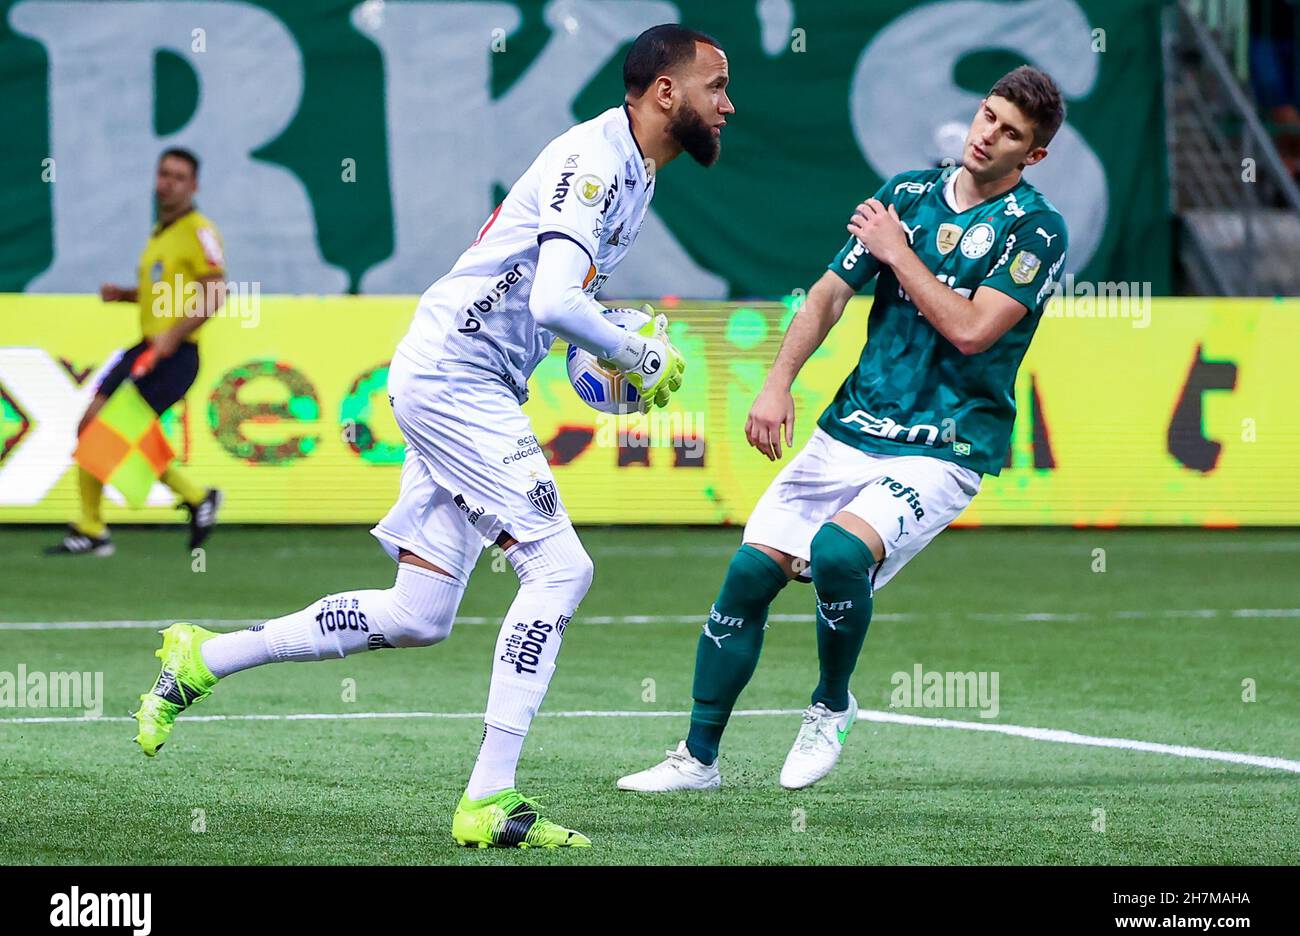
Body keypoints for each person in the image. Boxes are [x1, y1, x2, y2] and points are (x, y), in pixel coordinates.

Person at [131, 24, 734, 849]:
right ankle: (489, 798)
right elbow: (558, 303)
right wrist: (632, 351)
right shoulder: (593, 166)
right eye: (716, 86)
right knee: (560, 570)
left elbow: (549, 303)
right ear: (666, 92)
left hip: (473, 374)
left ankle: (205, 656)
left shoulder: (637, 170)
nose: (728, 105)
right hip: (458, 376)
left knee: (418, 613)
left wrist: (609, 352)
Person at [618, 66, 1068, 793]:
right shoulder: (907, 197)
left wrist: (899, 253)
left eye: (1011, 132)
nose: (989, 136)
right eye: (987, 116)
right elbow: (828, 297)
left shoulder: (1036, 230)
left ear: (1034, 155)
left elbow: (974, 331)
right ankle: (697, 759)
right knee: (748, 575)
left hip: (947, 444)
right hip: (852, 426)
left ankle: (830, 704)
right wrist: (775, 384)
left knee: (833, 554)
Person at [46, 147, 224, 557]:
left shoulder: (199, 231)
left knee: (108, 429)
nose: (168, 182)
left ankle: (96, 528)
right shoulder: (161, 233)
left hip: (174, 355)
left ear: (193, 186)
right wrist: (128, 295)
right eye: (164, 173)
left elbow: (215, 294)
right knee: (96, 426)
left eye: (179, 176)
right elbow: (164, 293)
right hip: (146, 348)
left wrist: (173, 336)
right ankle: (192, 499)